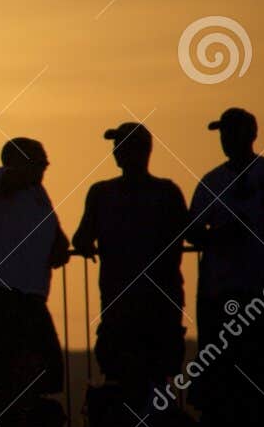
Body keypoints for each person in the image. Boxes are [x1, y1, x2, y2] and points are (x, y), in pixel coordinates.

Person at [72, 122, 188, 390]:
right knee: (148, 379)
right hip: (147, 301)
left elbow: (81, 238)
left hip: (136, 302)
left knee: (131, 379)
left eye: (120, 146)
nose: (115, 152)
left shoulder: (105, 193)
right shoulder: (165, 192)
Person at [0, 138, 69, 397]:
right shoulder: (0, 178)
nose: (43, 168)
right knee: (6, 371)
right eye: (37, 162)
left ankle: (31, 423)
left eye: (44, 163)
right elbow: (12, 180)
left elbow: (59, 238)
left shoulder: (40, 194)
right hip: (0, 291)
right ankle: (1, 425)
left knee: (45, 369)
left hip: (31, 294)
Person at [186, 108, 264, 415]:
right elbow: (193, 230)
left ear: (250, 135)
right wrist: (221, 237)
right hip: (222, 291)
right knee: (225, 370)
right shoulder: (212, 181)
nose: (225, 140)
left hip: (252, 289)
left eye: (231, 133)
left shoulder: (257, 175)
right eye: (224, 134)